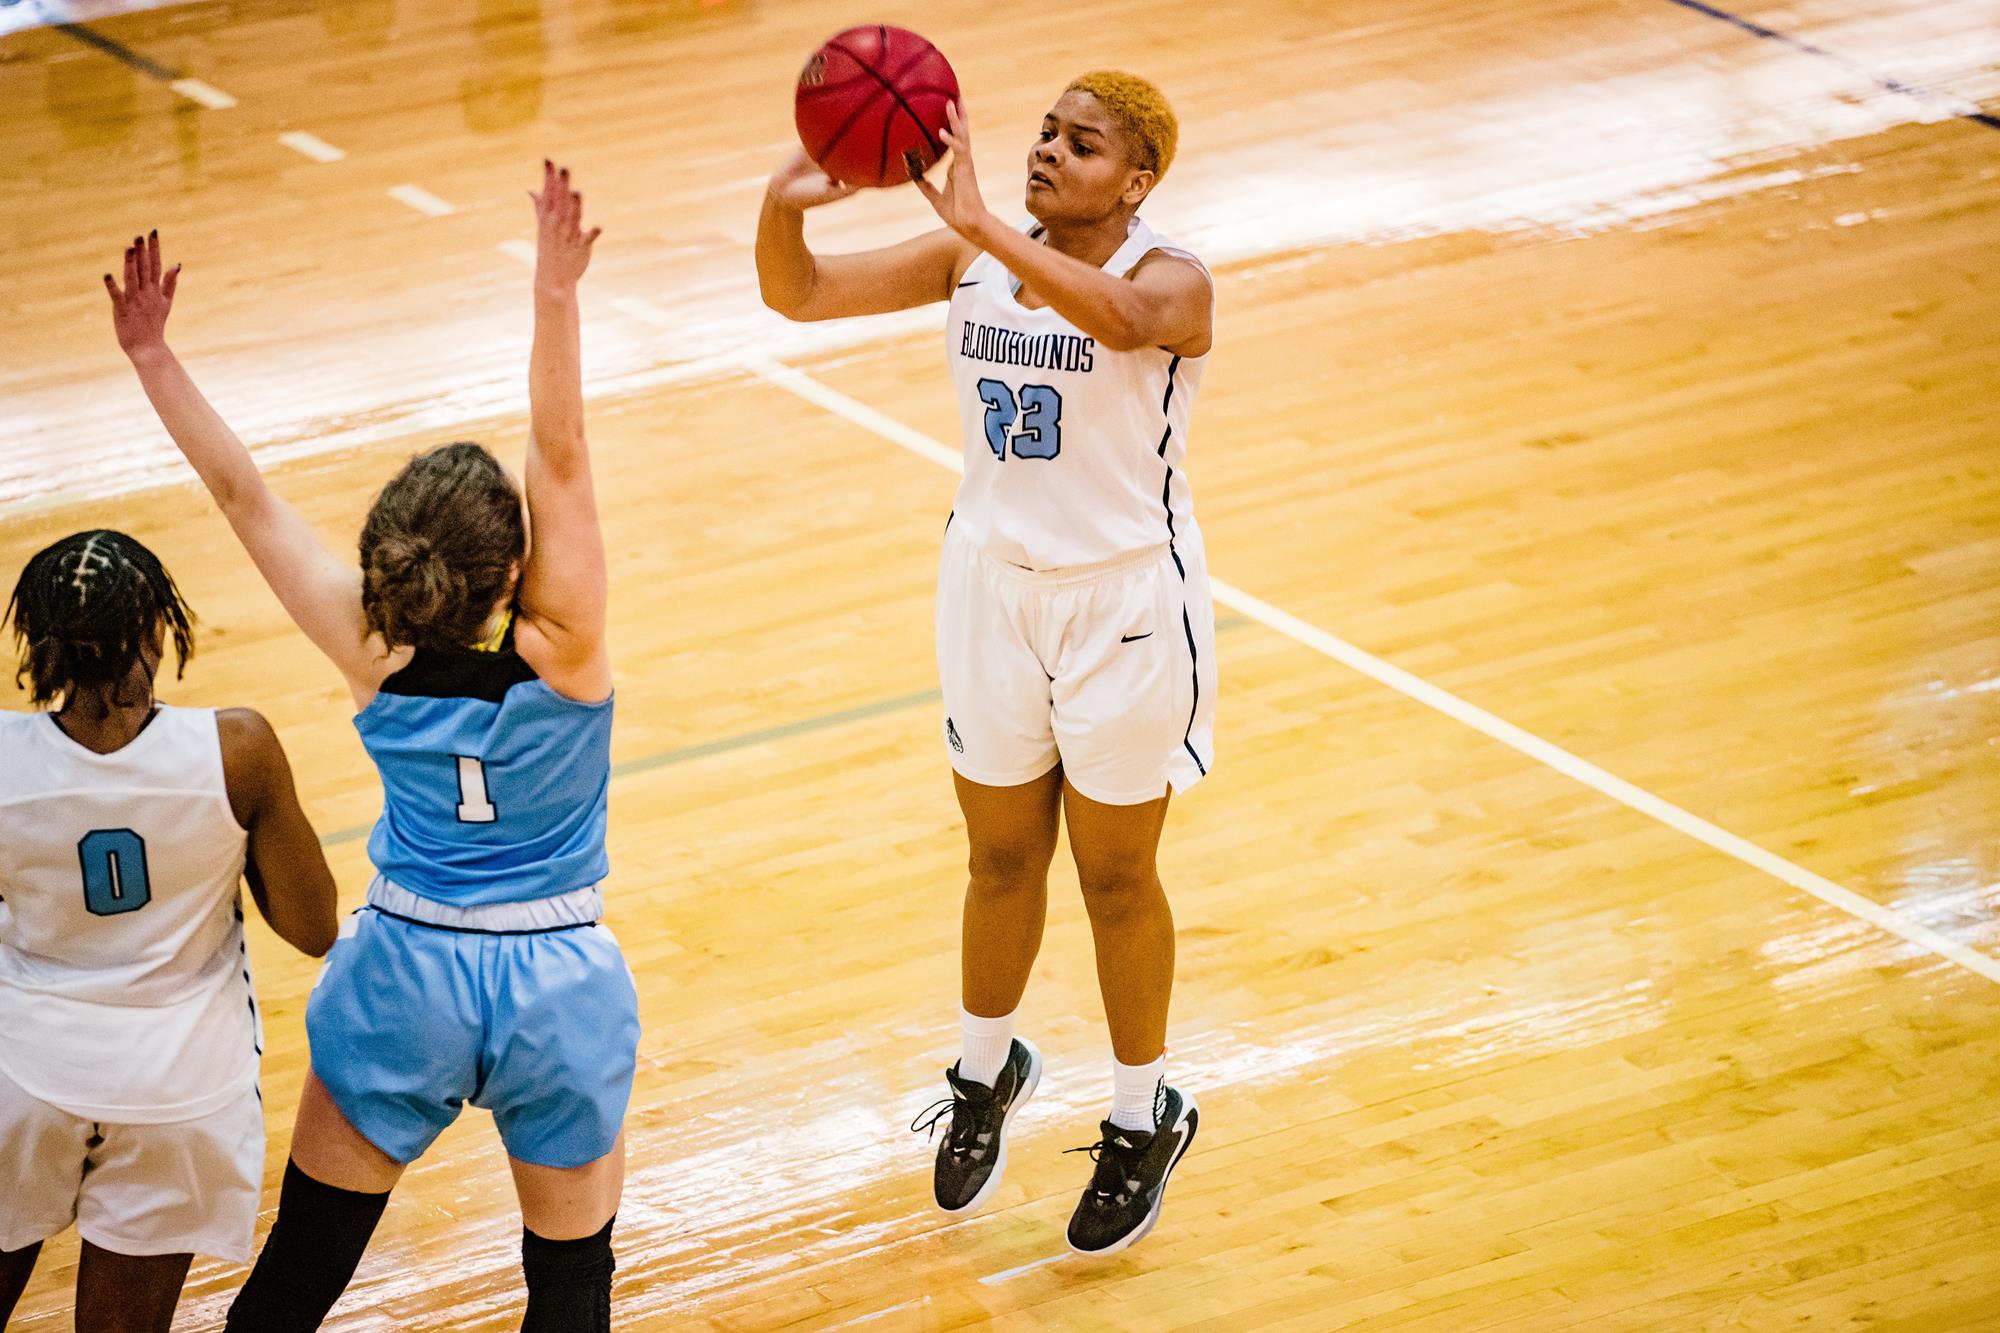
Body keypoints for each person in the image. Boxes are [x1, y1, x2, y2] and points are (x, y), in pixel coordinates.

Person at [104, 162, 638, 1331]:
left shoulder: (370, 648)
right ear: (511, 569)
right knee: (570, 1286)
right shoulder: (568, 645)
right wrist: (554, 289)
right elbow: (563, 451)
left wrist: (152, 355)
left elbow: (244, 497)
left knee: (298, 1276)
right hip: (559, 987)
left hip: (406, 976)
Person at [757, 71, 1213, 1255]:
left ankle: (1139, 1113)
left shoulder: (1172, 278)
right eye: (1046, 135)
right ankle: (981, 1072)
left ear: (1139, 179)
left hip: (1121, 603)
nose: (1050, 153)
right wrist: (784, 200)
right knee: (1000, 853)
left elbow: (1115, 323)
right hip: (989, 589)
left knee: (1115, 877)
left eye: (1085, 144)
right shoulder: (971, 257)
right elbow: (795, 294)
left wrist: (981, 227)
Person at [0, 529, 337, 1333]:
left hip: (25, 1078)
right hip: (181, 1091)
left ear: (37, 643)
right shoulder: (238, 749)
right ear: (159, 630)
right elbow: (314, 925)